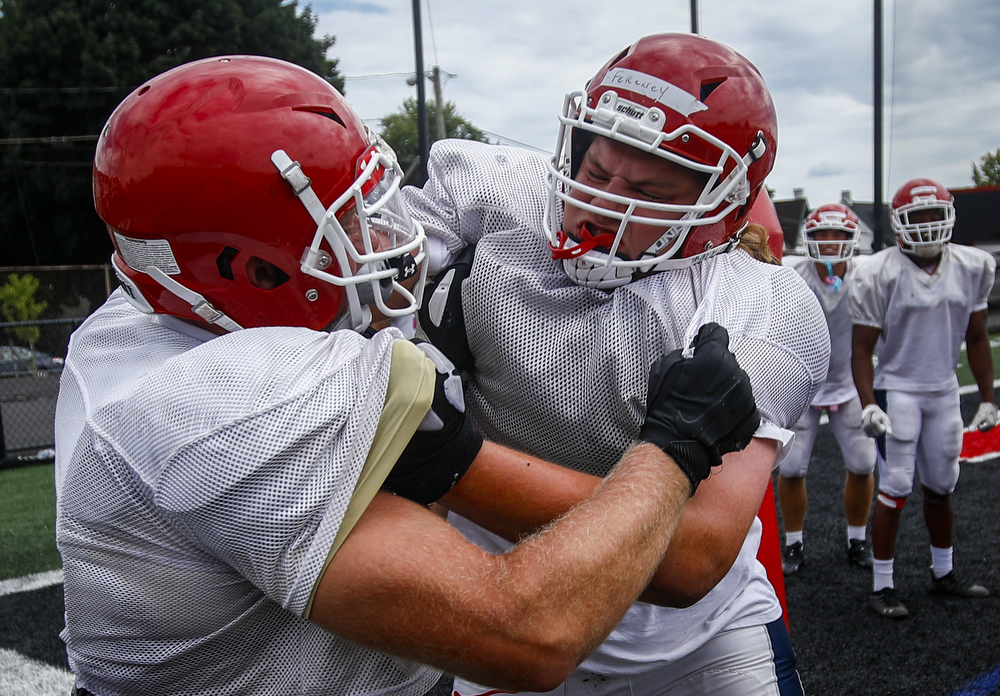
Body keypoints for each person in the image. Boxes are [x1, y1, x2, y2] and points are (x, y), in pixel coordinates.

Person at [53, 55, 763, 696]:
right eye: (351, 218)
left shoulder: (129, 325)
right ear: (252, 268)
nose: (387, 235)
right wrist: (674, 447)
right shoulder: (239, 396)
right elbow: (530, 632)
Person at [405, 33, 830, 696]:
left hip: (696, 641)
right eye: (596, 172)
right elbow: (332, 294)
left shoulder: (761, 306)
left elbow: (693, 557)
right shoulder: (490, 191)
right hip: (510, 605)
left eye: (649, 189)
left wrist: (446, 459)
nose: (599, 203)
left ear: (719, 209)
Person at [850, 177, 997, 619]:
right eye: (919, 216)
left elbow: (976, 336)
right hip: (899, 391)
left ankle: (943, 573)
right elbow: (860, 349)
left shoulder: (973, 266)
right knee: (895, 488)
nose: (929, 225)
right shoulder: (879, 271)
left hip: (945, 392)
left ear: (950, 216)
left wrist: (987, 397)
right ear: (898, 224)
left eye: (936, 214)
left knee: (941, 486)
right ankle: (882, 585)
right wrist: (869, 403)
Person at [778, 204, 877, 575]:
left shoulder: (868, 273)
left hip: (849, 383)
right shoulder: (789, 271)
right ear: (809, 238)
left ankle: (857, 537)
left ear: (853, 240)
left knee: (864, 463)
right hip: (800, 384)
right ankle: (794, 543)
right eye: (822, 234)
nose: (831, 242)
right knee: (790, 468)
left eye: (838, 235)